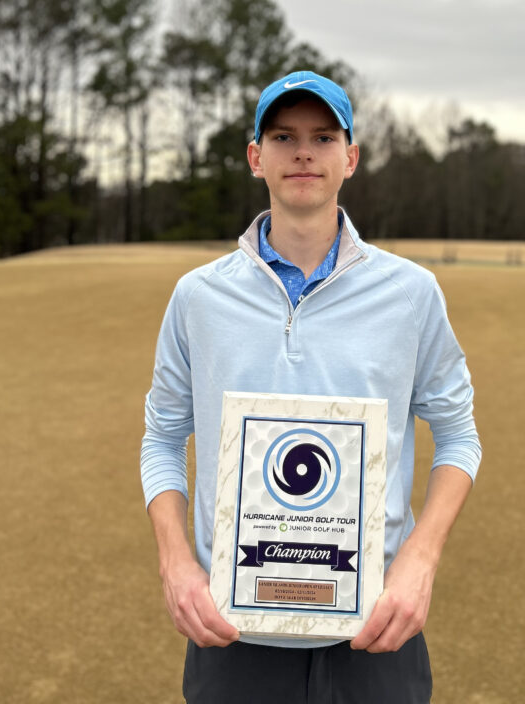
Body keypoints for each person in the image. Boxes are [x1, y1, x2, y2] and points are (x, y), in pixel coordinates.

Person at [141, 70, 481, 704]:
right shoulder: (197, 297)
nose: (303, 152)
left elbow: (460, 437)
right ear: (255, 157)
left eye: (324, 137)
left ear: (349, 158)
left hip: (374, 629)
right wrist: (175, 561)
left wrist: (420, 558)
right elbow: (161, 438)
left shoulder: (410, 293)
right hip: (233, 634)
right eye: (283, 135)